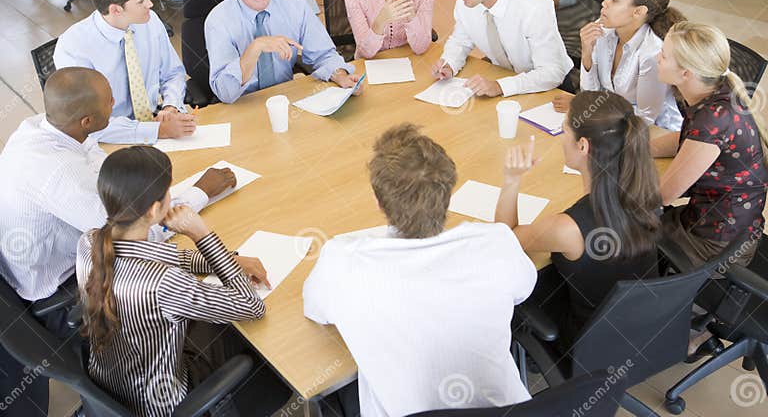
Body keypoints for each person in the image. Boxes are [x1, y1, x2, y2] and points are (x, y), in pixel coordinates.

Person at [0, 67, 232, 416]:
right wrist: (201, 192)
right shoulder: (58, 172)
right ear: (87, 120)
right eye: (109, 101)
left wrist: (148, 191)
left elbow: (103, 174)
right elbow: (138, 231)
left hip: (67, 255)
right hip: (63, 290)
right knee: (211, 303)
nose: (115, 102)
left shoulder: (45, 127)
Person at [303, 123, 536, 416]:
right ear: (449, 193)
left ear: (378, 202)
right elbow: (523, 289)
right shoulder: (496, 242)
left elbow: (315, 310)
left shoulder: (341, 262)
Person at [77, 146, 291, 417]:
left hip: (114, 383)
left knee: (216, 324)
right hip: (162, 402)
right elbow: (251, 305)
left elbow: (164, 257)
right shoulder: (163, 283)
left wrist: (228, 260)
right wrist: (201, 234)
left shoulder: (90, 241)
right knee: (255, 338)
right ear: (155, 209)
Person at [495, 91, 661, 349]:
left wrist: (511, 179)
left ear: (583, 146)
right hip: (642, 328)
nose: (561, 139)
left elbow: (504, 241)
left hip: (589, 343)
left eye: (564, 131)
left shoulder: (567, 229)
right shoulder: (644, 190)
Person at [652, 22, 768, 268]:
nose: (656, 58)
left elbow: (664, 195)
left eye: (663, 55)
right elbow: (689, 139)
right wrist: (639, 148)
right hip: (719, 225)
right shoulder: (715, 92)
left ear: (686, 74)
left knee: (620, 229)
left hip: (715, 245)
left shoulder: (713, 119)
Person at [54, 0, 195, 145]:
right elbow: (89, 123)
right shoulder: (74, 47)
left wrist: (170, 106)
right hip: (108, 139)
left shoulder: (150, 21)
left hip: (153, 123)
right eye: (141, 1)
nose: (150, 4)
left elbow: (173, 73)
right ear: (116, 10)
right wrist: (157, 131)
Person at [206, 0, 363, 103]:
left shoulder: (294, 3)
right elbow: (225, 93)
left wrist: (341, 75)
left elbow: (323, 54)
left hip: (285, 99)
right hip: (242, 104)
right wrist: (255, 48)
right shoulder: (218, 21)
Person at [431, 0, 572, 97]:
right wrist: (449, 63)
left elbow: (552, 72)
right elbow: (460, 41)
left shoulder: (533, 6)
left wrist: (500, 86)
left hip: (548, 88)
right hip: (503, 77)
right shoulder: (465, 4)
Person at [552, 0, 684, 131]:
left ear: (638, 12)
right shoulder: (602, 30)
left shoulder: (652, 53)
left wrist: (586, 109)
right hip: (613, 124)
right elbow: (591, 93)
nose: (604, 3)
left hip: (655, 132)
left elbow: (645, 118)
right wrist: (586, 53)